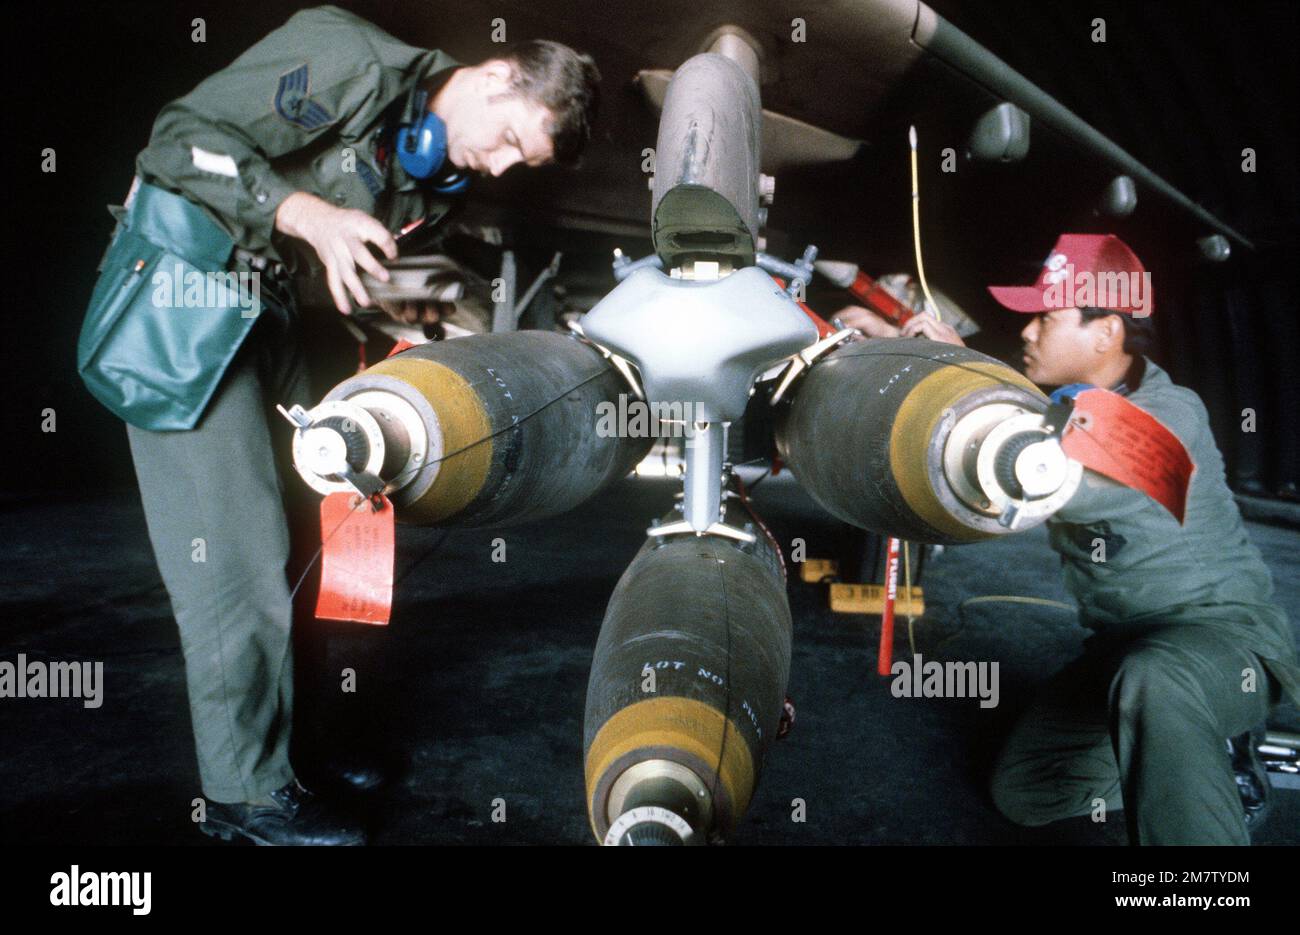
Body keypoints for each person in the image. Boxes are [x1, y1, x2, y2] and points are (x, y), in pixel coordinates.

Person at [77, 5, 600, 845]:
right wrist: (308, 217)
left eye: (518, 163)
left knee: (301, 537)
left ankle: (296, 752)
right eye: (508, 139)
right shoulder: (350, 58)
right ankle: (244, 794)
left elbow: (325, 255)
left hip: (266, 319)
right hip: (183, 302)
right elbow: (180, 140)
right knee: (235, 551)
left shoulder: (420, 173)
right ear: (498, 74)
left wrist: (386, 307)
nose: (498, 167)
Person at [838, 233, 1299, 844]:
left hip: (1221, 641)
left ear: (1107, 330)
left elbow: (1036, 469)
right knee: (1029, 789)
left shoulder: (1167, 416)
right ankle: (1194, 756)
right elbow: (1042, 417)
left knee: (1156, 681)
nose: (1027, 332)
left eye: (1045, 318)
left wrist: (957, 367)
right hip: (1122, 647)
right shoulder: (1071, 405)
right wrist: (909, 348)